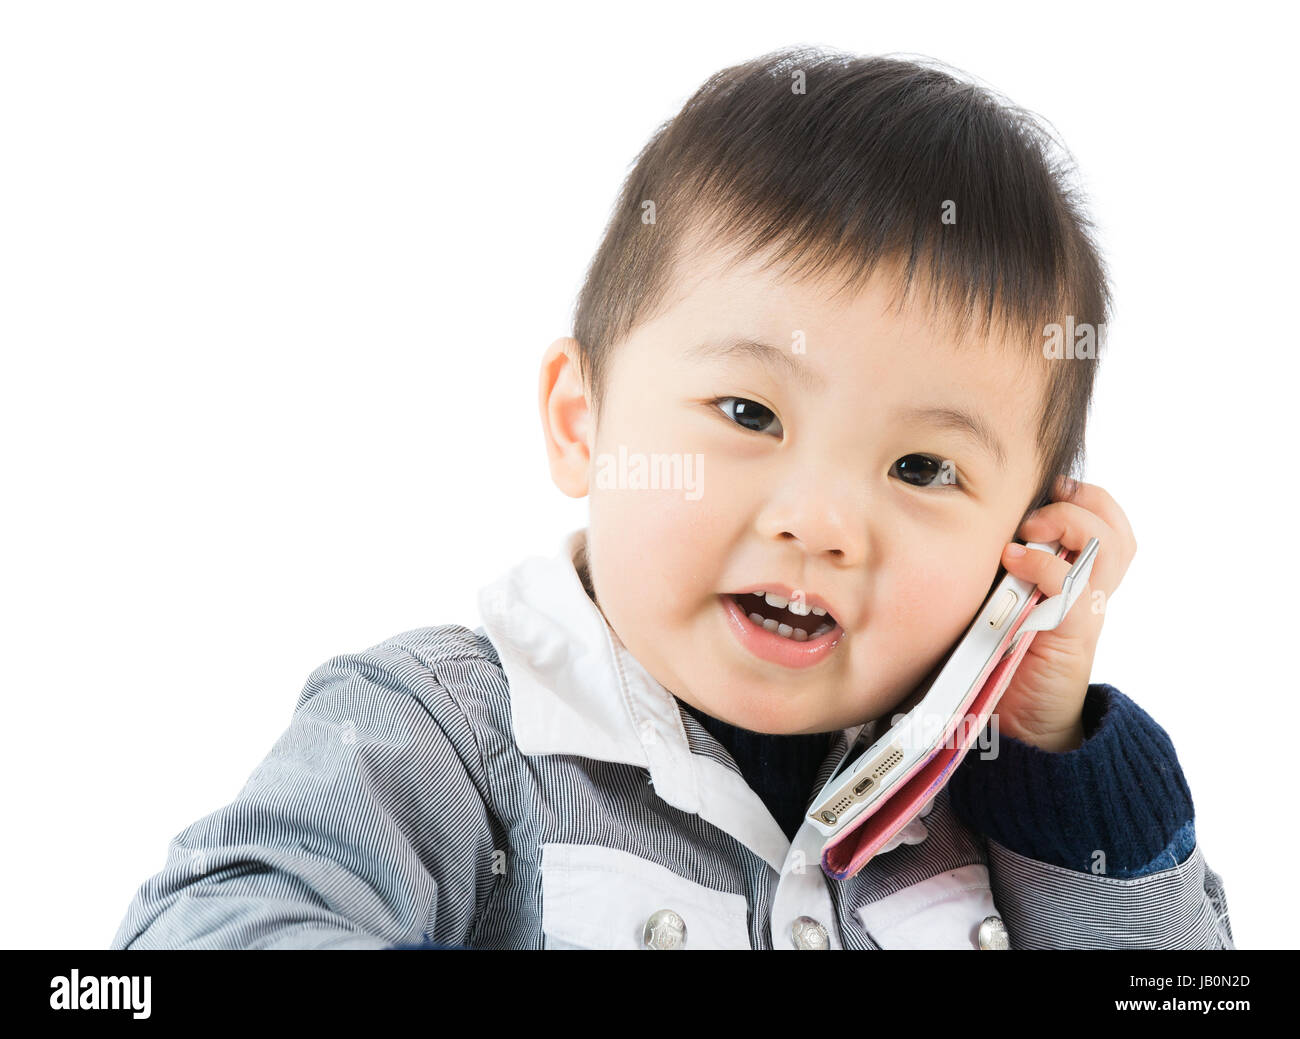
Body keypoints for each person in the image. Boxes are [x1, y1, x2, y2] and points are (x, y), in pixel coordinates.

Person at [110, 45, 1233, 950]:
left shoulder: (989, 794)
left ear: (1027, 543)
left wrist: (1052, 749)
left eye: (922, 469)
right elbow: (211, 925)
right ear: (580, 420)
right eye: (748, 415)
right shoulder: (449, 733)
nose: (821, 524)